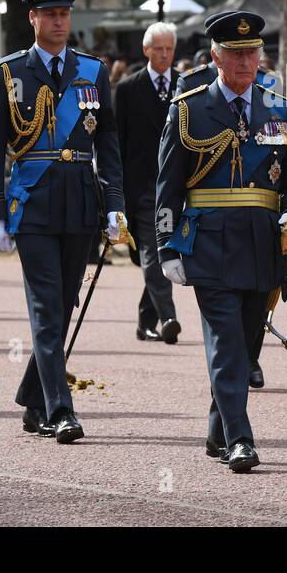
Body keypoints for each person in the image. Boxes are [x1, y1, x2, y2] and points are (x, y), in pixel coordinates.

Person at [156, 11, 287, 473]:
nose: (246, 62)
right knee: (226, 343)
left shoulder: (277, 107)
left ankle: (219, 427)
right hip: (210, 240)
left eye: (252, 53)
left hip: (262, 243)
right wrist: (167, 245)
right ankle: (241, 439)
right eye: (236, 54)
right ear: (216, 56)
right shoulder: (189, 108)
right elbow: (168, 185)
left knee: (247, 341)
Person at [0, 0, 126, 443]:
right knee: (46, 308)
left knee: (63, 305)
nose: (60, 21)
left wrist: (115, 205)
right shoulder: (9, 73)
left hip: (81, 201)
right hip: (35, 204)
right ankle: (60, 408)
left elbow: (108, 144)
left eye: (64, 14)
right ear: (33, 19)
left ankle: (32, 397)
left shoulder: (92, 71)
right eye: (50, 13)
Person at [114, 21, 182, 344]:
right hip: (142, 189)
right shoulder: (127, 89)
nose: (165, 55)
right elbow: (118, 145)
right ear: (146, 50)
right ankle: (168, 316)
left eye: (169, 49)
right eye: (159, 49)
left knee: (163, 253)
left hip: (178, 187)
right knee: (154, 253)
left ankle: (145, 320)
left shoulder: (186, 85)